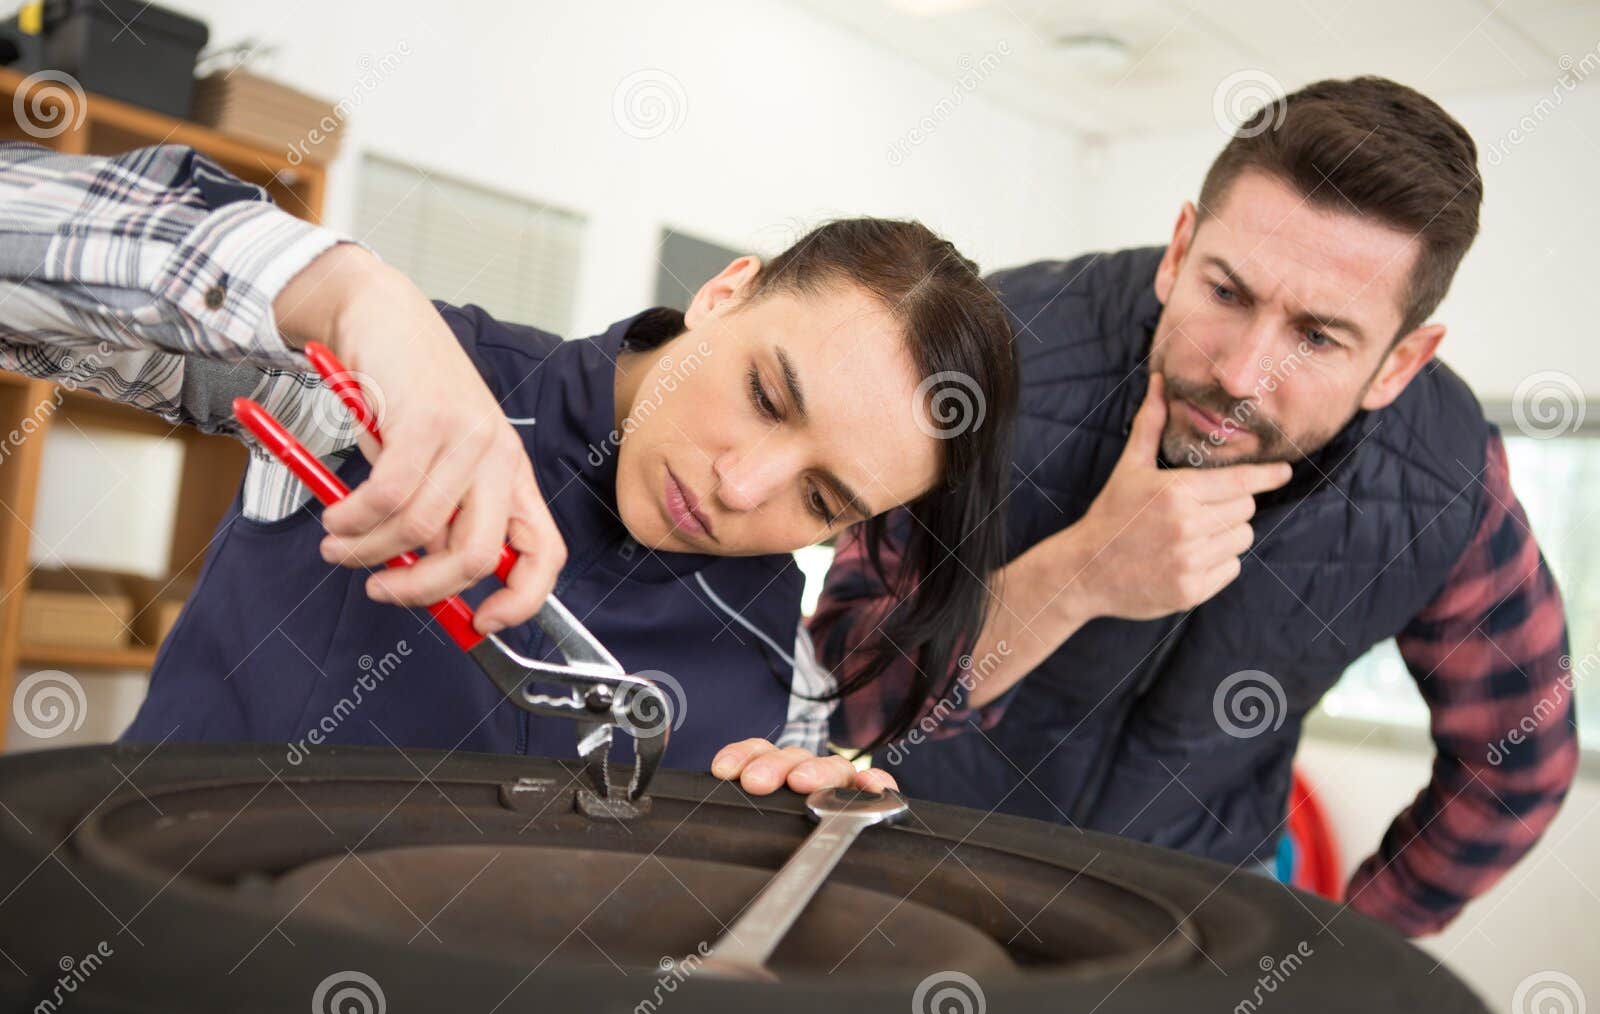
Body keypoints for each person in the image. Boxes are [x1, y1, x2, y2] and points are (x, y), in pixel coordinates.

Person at [755, 76, 1579, 937]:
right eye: (1226, 292)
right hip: (926, 873)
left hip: (1194, 916)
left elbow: (1519, 760)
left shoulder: (1443, 475)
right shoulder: (996, 355)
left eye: (1317, 336)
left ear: (1401, 362)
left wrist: (1339, 948)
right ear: (1180, 249)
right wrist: (1081, 573)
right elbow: (852, 691)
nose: (1238, 372)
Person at [0, 142, 1016, 791]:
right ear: (724, 292)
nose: (741, 488)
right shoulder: (385, 380)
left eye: (822, 498)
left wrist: (769, 857)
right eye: (763, 394)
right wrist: (352, 295)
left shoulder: (773, 671)